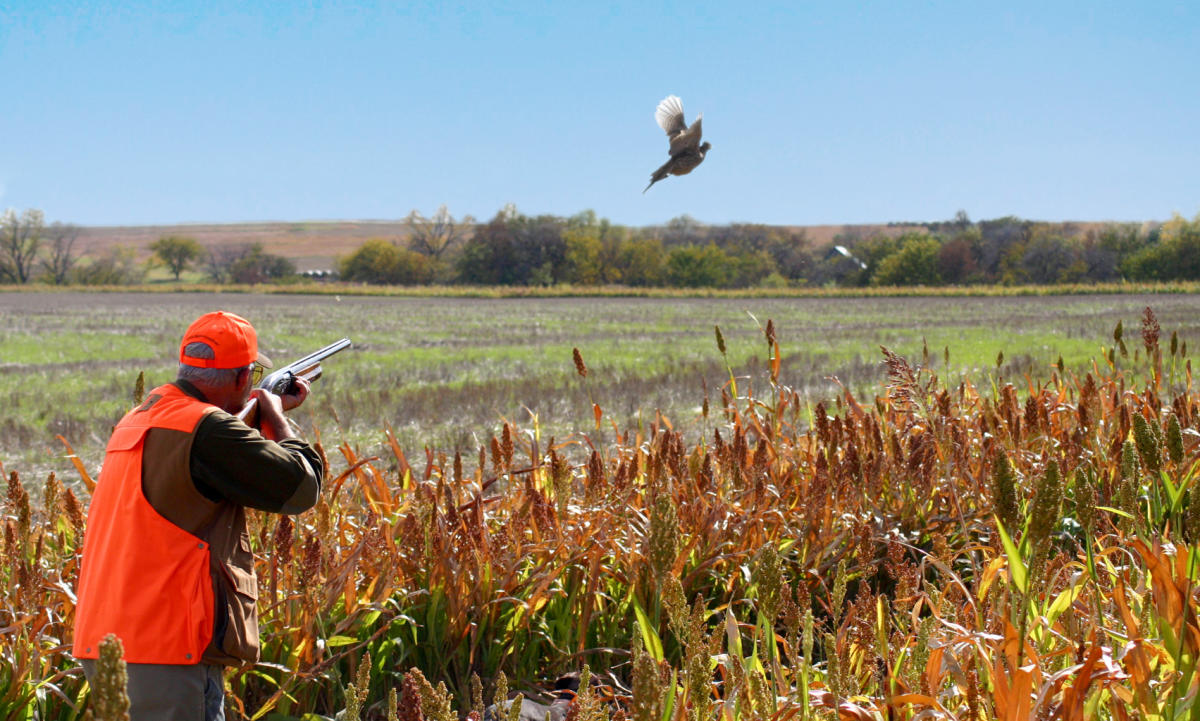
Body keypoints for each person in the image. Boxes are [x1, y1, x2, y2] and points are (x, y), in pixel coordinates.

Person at [73, 311, 324, 721]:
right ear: (244, 378)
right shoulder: (206, 428)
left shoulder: (139, 417)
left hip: (105, 644)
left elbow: (203, 474)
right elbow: (301, 486)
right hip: (167, 650)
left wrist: (254, 418)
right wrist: (275, 414)